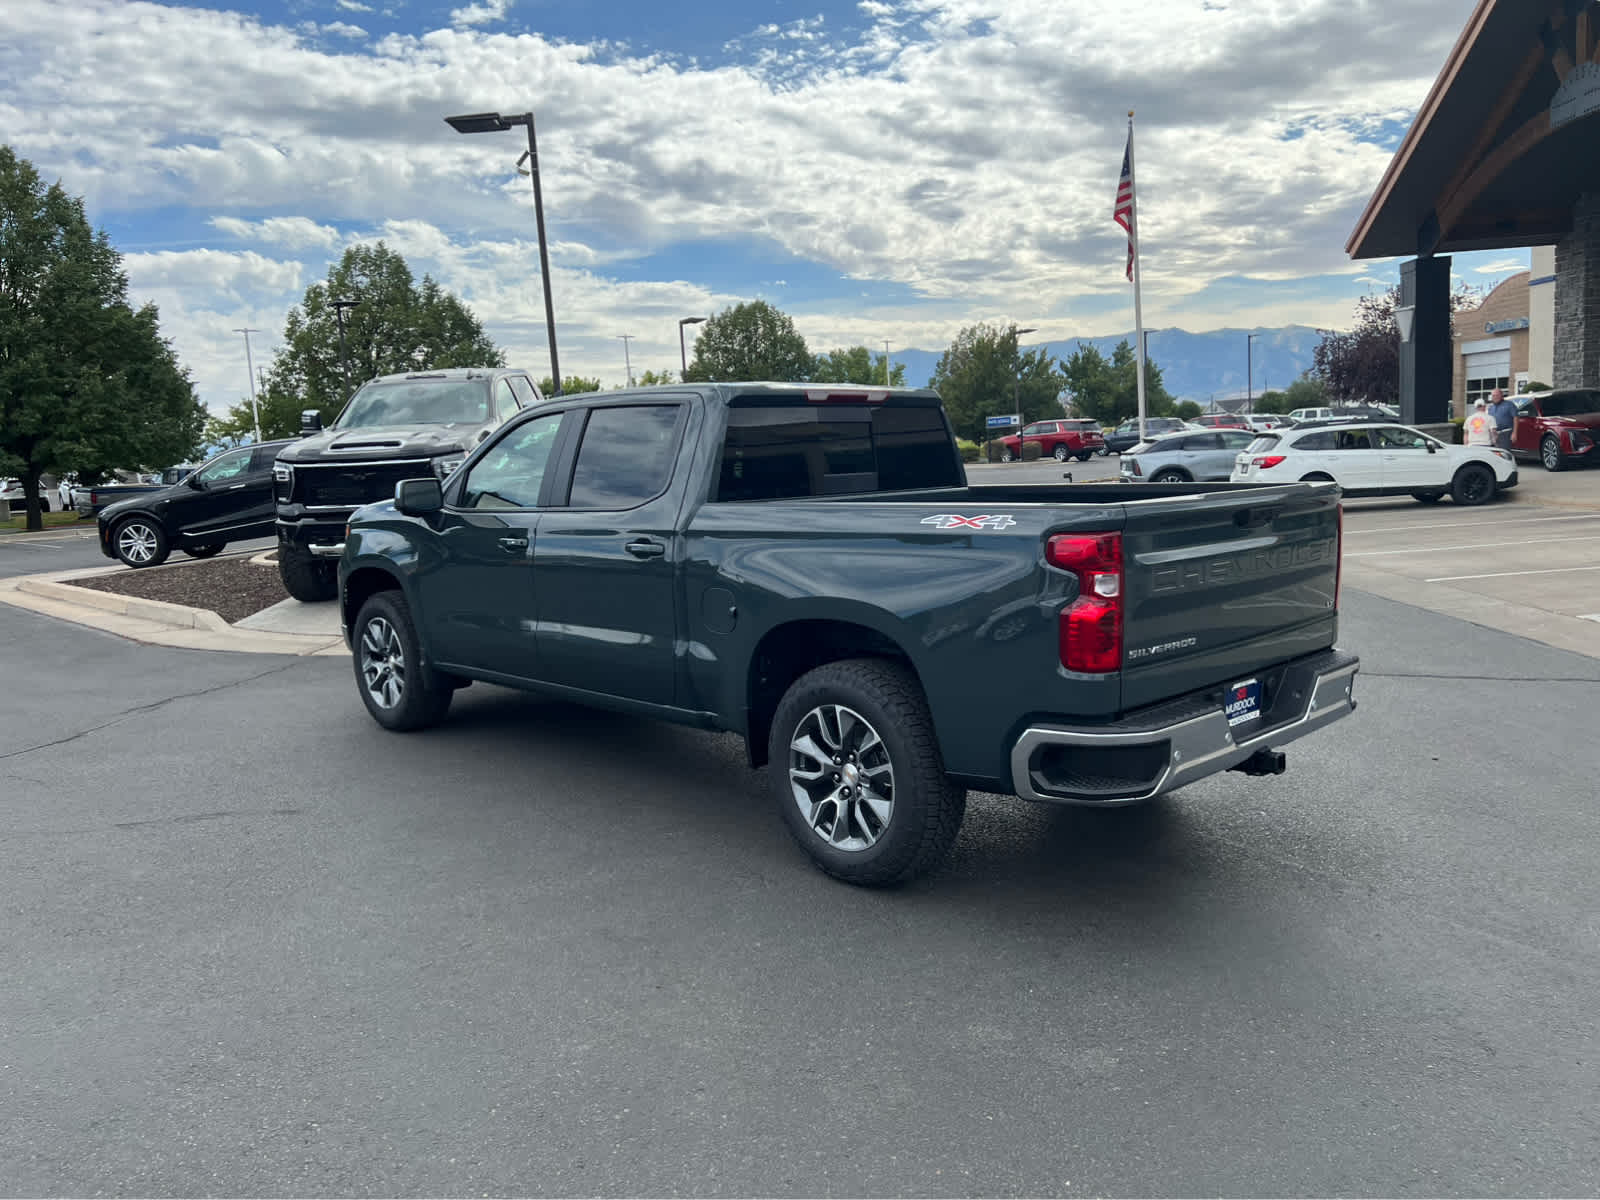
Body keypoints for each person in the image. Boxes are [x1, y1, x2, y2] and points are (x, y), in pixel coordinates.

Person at [1487, 387, 1517, 451]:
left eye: (1497, 395)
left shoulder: (1509, 404)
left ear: (1501, 395)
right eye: (1493, 395)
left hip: (1506, 433)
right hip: (1494, 435)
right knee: (1494, 453)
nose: (1495, 397)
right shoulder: (1490, 408)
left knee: (1504, 453)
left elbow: (1516, 418)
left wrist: (1514, 433)